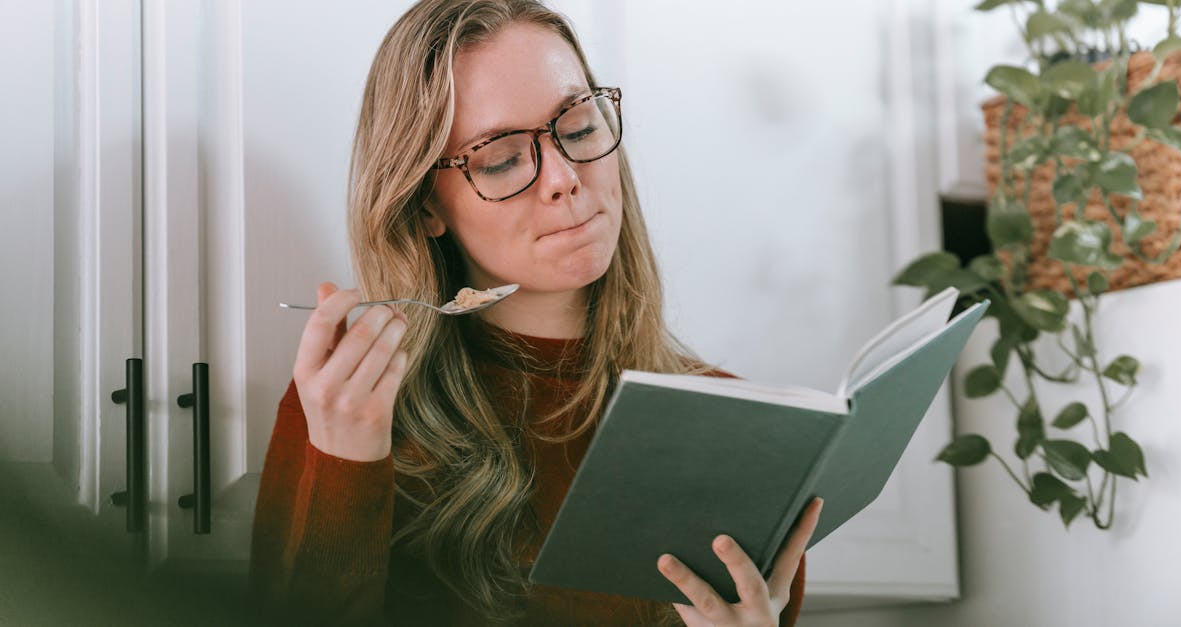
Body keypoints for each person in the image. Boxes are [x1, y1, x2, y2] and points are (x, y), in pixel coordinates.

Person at [248, 1, 823, 625]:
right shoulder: (351, 409)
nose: (564, 178)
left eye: (577, 127)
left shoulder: (737, 429)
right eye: (500, 158)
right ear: (425, 209)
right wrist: (346, 459)